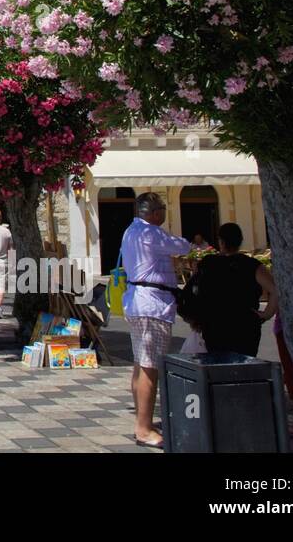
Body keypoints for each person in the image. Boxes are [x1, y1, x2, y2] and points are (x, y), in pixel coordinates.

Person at [120, 192, 191, 449]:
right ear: (155, 213)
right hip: (152, 305)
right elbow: (182, 246)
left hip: (137, 302)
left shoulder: (131, 231)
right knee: (150, 368)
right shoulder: (151, 233)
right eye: (162, 209)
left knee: (140, 364)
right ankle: (144, 428)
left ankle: (142, 419)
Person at [188, 223, 276, 357]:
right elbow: (275, 290)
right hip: (245, 325)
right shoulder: (252, 265)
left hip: (214, 324)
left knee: (217, 364)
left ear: (221, 242)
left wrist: (196, 318)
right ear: (240, 241)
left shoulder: (207, 264)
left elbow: (194, 292)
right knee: (245, 364)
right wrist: (266, 314)